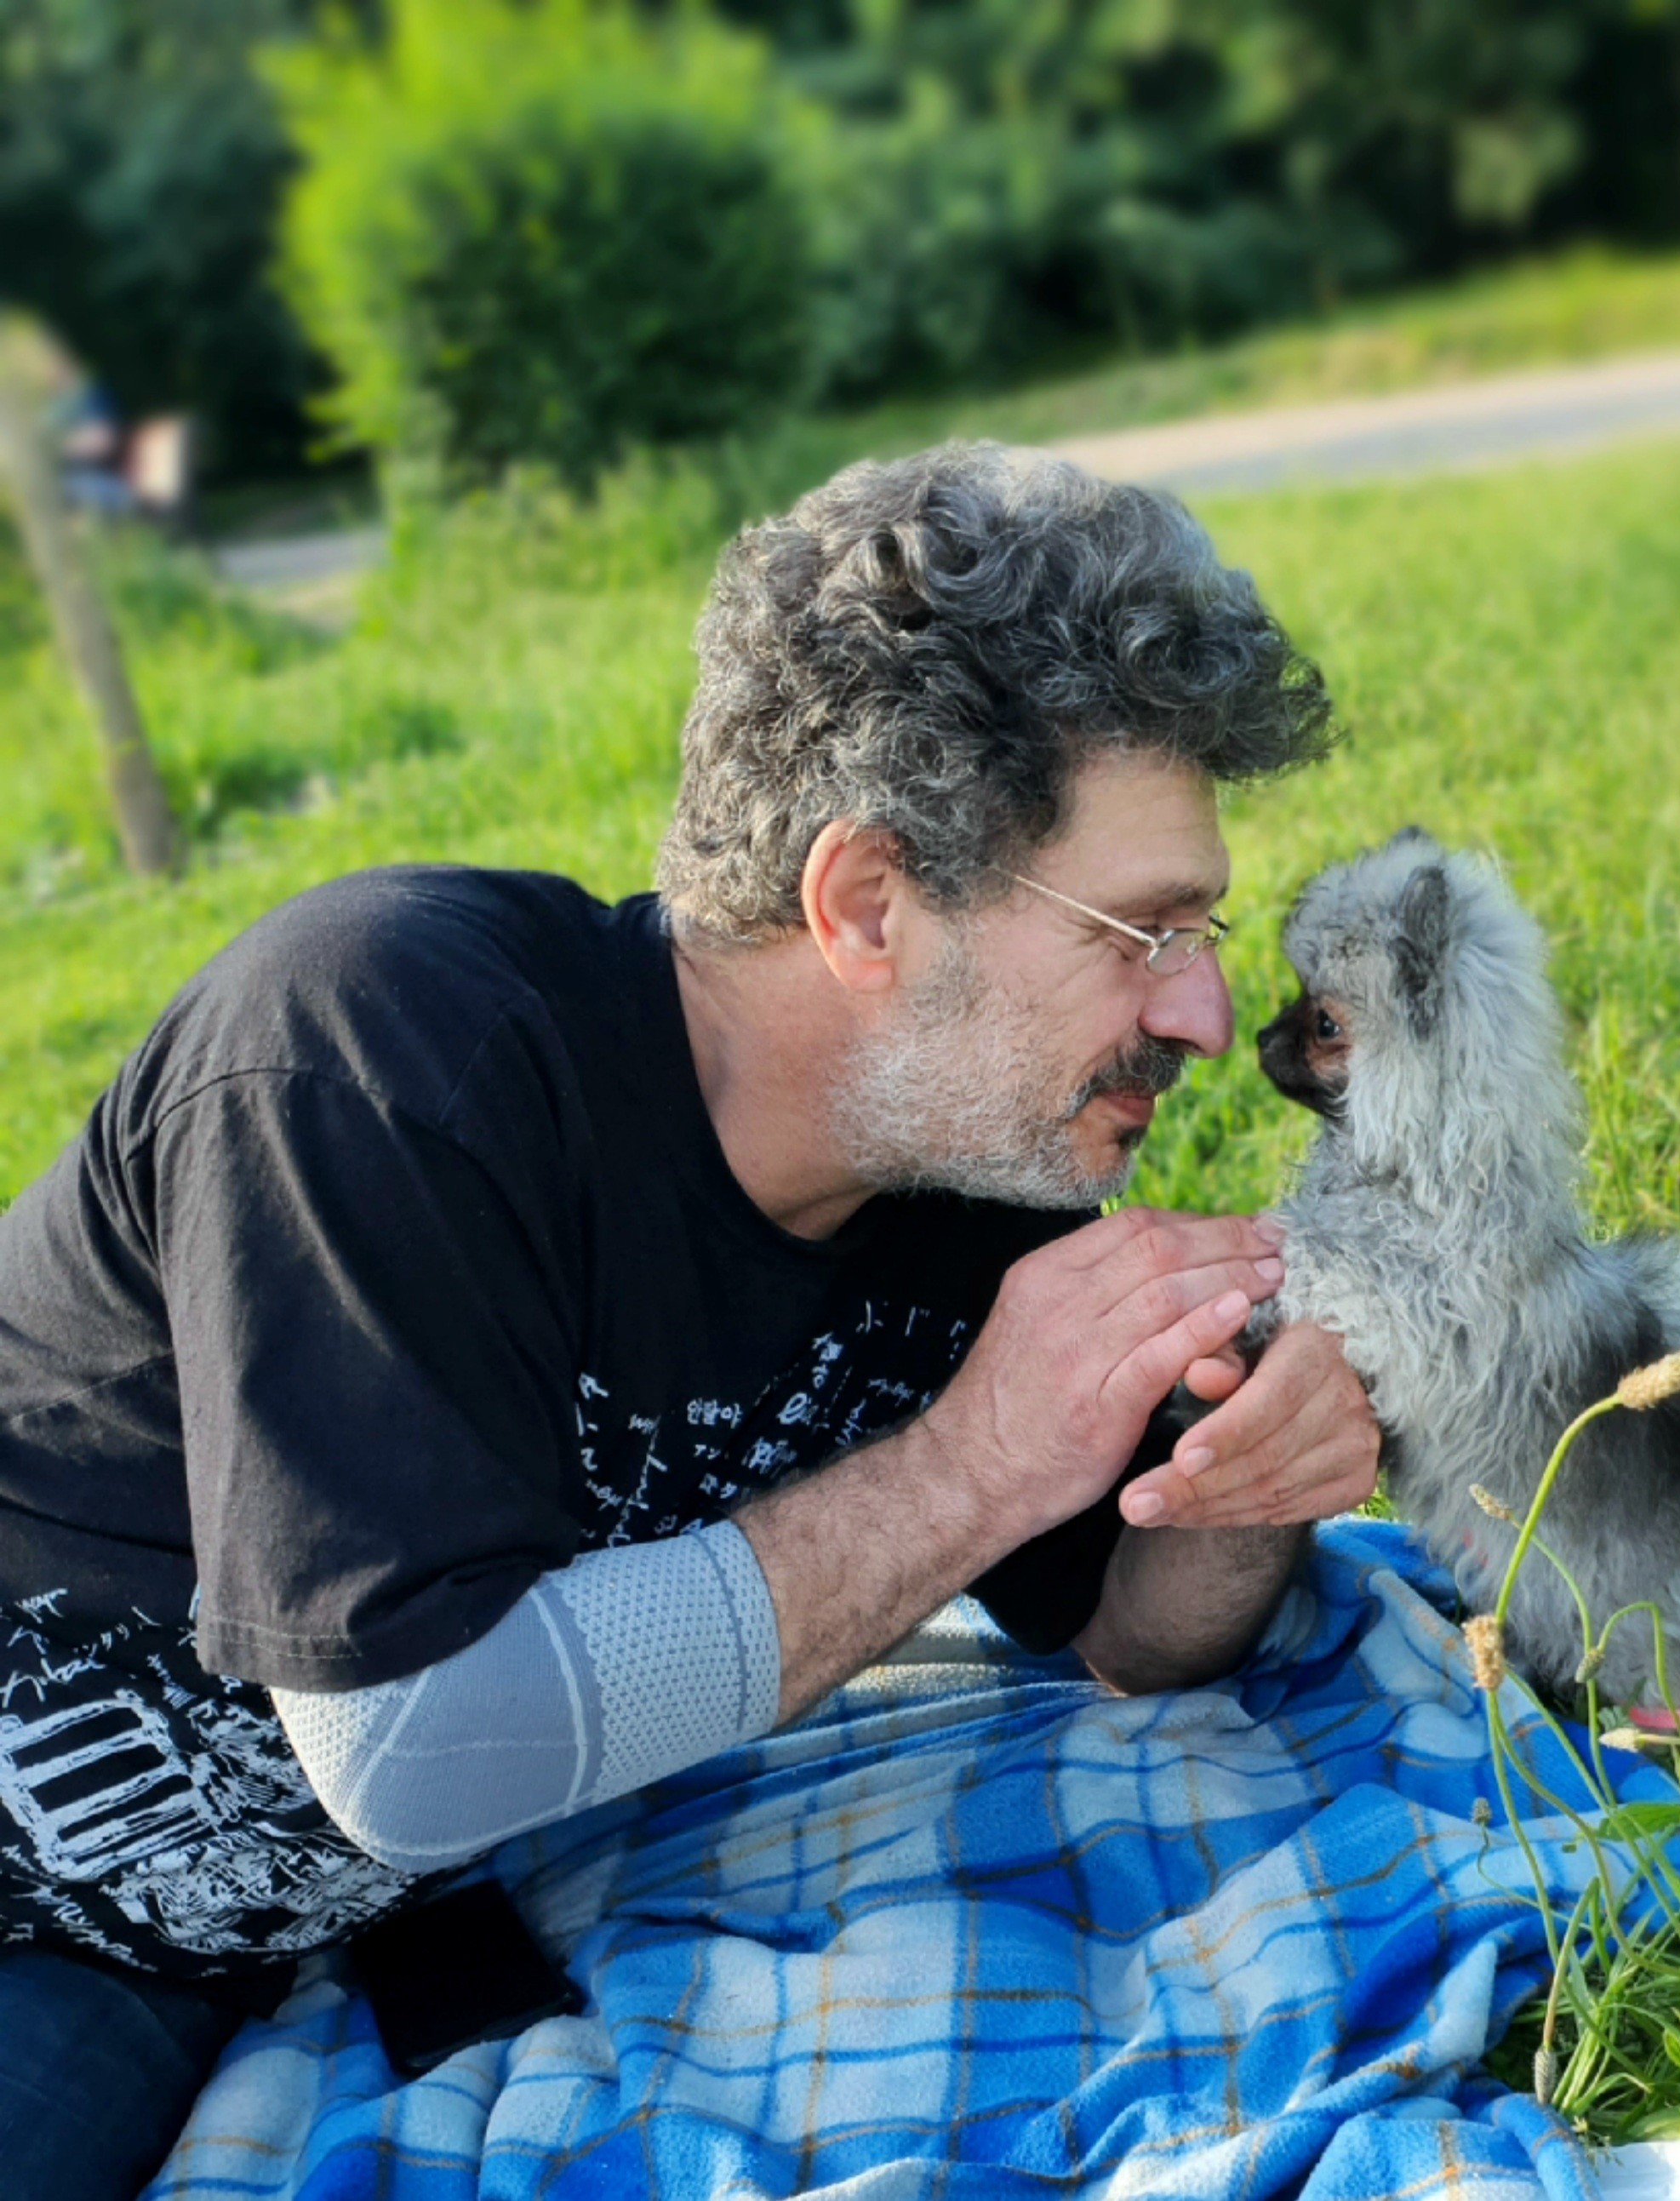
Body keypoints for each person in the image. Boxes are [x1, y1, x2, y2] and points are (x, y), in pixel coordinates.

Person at [0, 443, 1381, 2200]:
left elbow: (1126, 1637)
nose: (1201, 1011)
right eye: (1142, 928)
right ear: (867, 902)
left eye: (1208, 930)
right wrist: (973, 1464)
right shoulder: (378, 1058)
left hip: (196, 1961)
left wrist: (1254, 1482)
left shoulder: (963, 1180)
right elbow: (412, 1750)